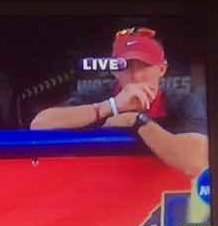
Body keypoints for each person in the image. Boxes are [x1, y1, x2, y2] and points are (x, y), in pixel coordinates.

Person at [29, 27, 208, 178]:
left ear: (162, 69)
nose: (136, 75)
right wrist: (112, 106)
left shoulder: (182, 101)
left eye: (144, 66)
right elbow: (39, 124)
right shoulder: (97, 95)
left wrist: (136, 121)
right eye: (127, 66)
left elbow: (193, 163)